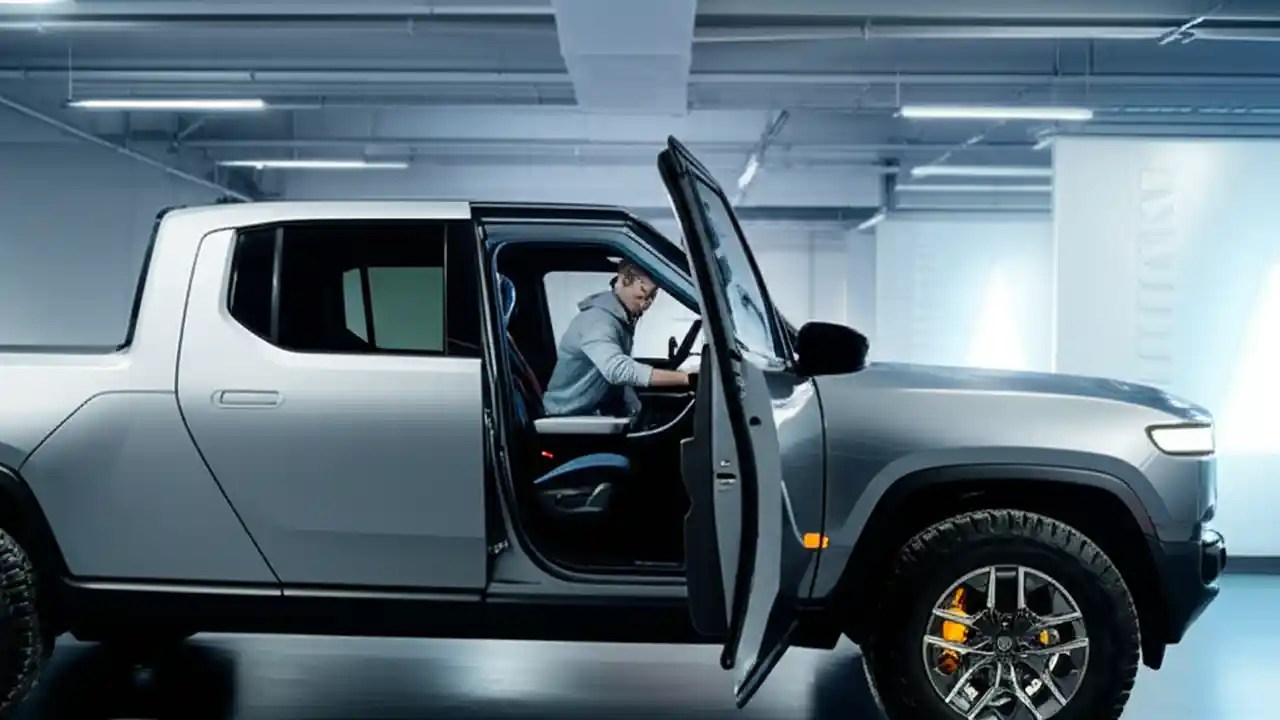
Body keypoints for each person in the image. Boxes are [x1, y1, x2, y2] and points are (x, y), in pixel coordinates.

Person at [542, 259, 691, 418]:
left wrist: (635, 410)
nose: (646, 304)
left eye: (653, 295)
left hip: (590, 412)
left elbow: (618, 382)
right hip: (567, 416)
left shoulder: (620, 318)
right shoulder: (599, 321)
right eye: (642, 294)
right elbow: (617, 370)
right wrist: (687, 379)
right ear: (624, 280)